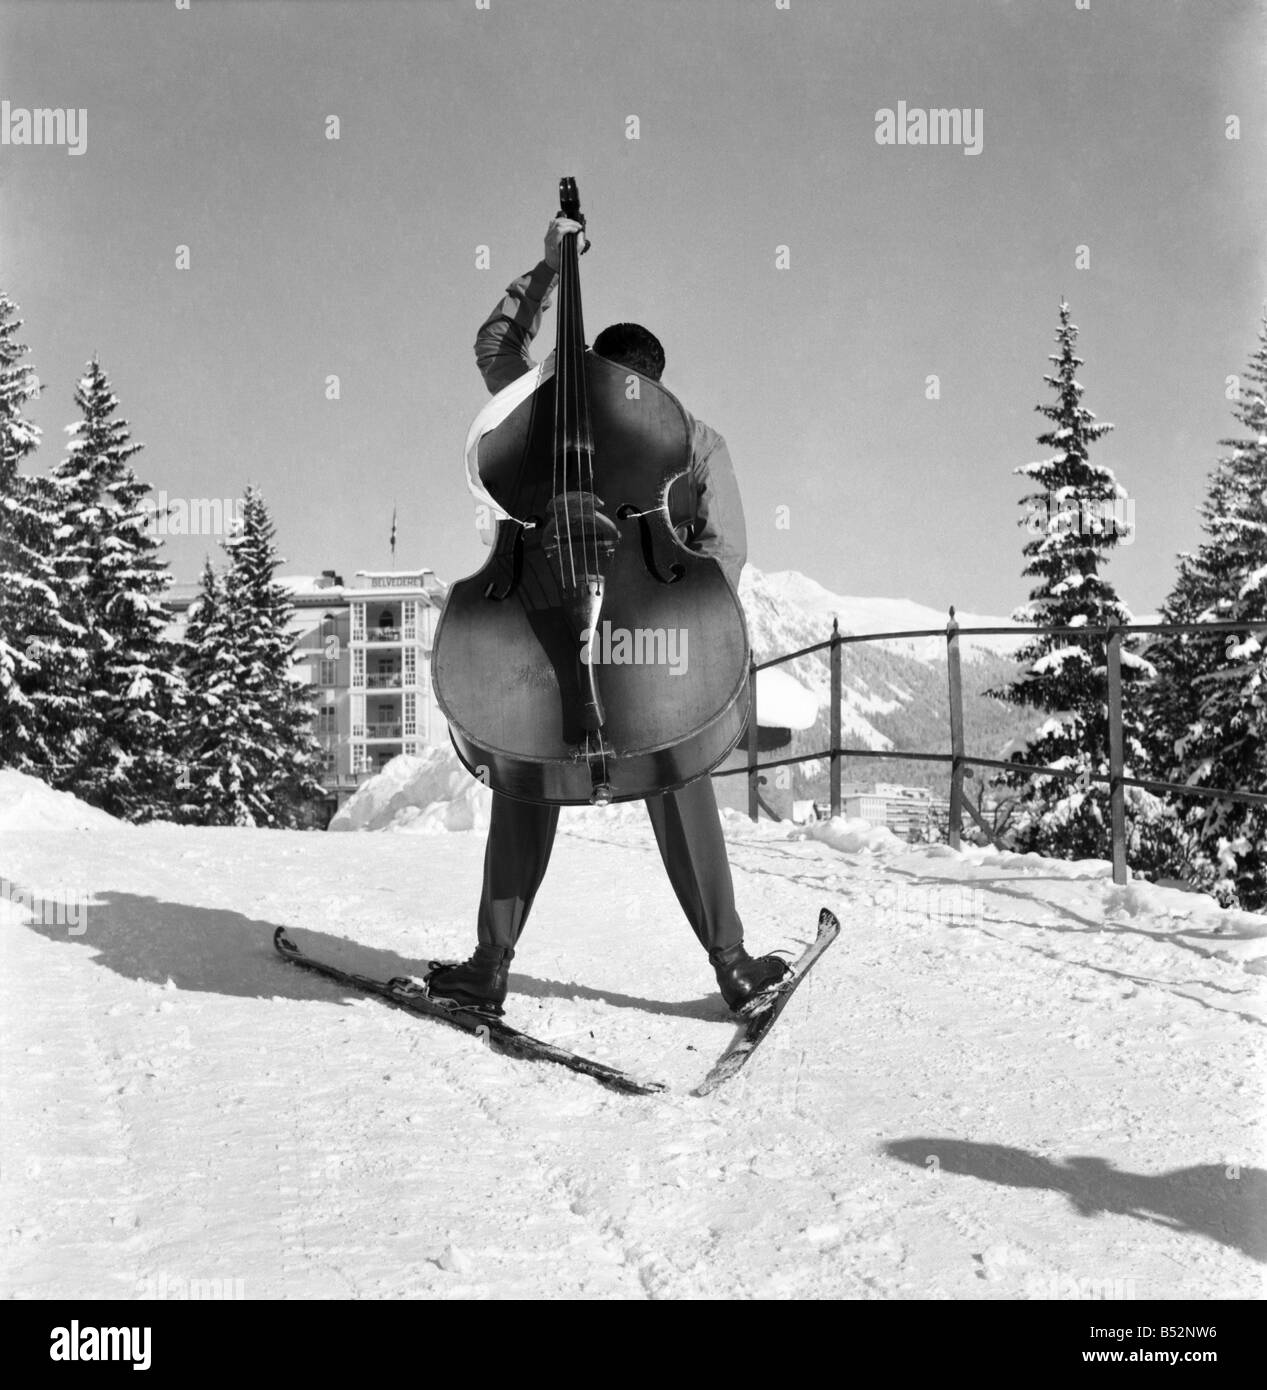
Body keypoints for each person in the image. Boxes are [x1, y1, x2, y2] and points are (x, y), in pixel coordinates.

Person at [426, 217, 789, 1017]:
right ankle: (731, 966)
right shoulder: (692, 437)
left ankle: (489, 968)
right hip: (648, 633)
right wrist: (675, 629)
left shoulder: (549, 415)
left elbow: (494, 345)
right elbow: (723, 553)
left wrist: (548, 267)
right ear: (655, 384)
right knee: (676, 767)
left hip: (540, 613)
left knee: (524, 767)